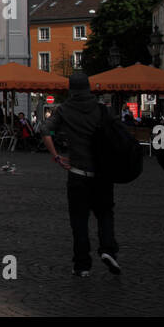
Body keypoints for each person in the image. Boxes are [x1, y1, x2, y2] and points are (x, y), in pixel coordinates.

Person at [41, 71, 120, 277]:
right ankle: (108, 249)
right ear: (88, 88)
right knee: (104, 213)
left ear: (71, 90)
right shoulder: (103, 110)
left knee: (79, 219)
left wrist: (56, 156)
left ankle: (82, 264)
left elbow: (45, 131)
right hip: (102, 173)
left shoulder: (64, 110)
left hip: (77, 173)